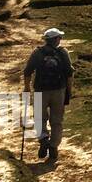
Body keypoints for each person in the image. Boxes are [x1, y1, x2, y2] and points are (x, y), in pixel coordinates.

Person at [23, 28, 73, 163]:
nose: (60, 40)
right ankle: (53, 146)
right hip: (59, 90)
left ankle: (43, 139)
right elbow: (69, 74)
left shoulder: (37, 53)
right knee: (57, 120)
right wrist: (69, 91)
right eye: (59, 38)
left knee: (39, 118)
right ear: (55, 39)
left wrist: (27, 87)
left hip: (40, 90)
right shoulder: (63, 52)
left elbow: (27, 71)